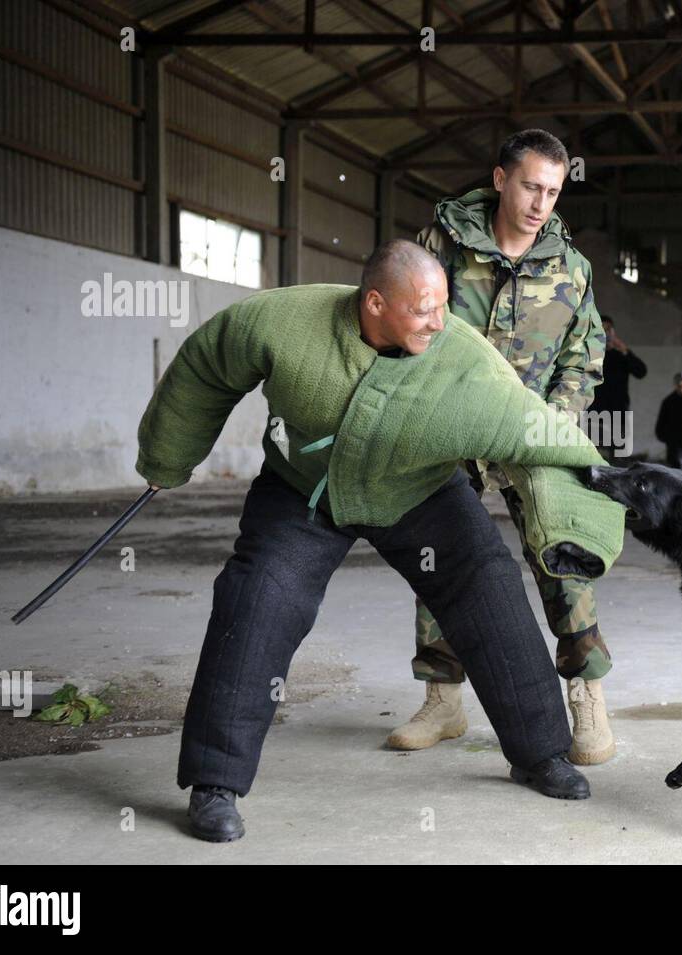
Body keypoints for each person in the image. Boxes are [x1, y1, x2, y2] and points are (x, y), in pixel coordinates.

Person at [137, 240, 624, 842]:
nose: (439, 322)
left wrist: (580, 526)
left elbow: (545, 440)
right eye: (423, 309)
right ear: (374, 303)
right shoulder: (282, 322)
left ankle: (540, 754)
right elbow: (206, 367)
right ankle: (216, 782)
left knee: (488, 581)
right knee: (258, 596)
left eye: (444, 306)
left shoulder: (464, 359)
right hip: (303, 493)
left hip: (418, 494)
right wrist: (168, 456)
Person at [391, 128, 616, 766]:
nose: (541, 202)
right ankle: (443, 698)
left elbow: (584, 353)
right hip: (448, 428)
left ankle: (587, 697)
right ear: (499, 180)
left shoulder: (571, 267)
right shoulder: (440, 245)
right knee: (441, 557)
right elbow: (406, 326)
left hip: (533, 430)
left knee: (563, 554)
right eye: (530, 186)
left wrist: (555, 418)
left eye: (553, 190)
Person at [589, 315, 648, 459]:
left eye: (608, 329)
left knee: (618, 462)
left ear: (613, 332)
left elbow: (641, 372)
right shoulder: (590, 355)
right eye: (601, 329)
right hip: (595, 415)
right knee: (594, 462)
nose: (605, 333)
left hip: (618, 416)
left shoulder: (622, 356)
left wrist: (625, 350)